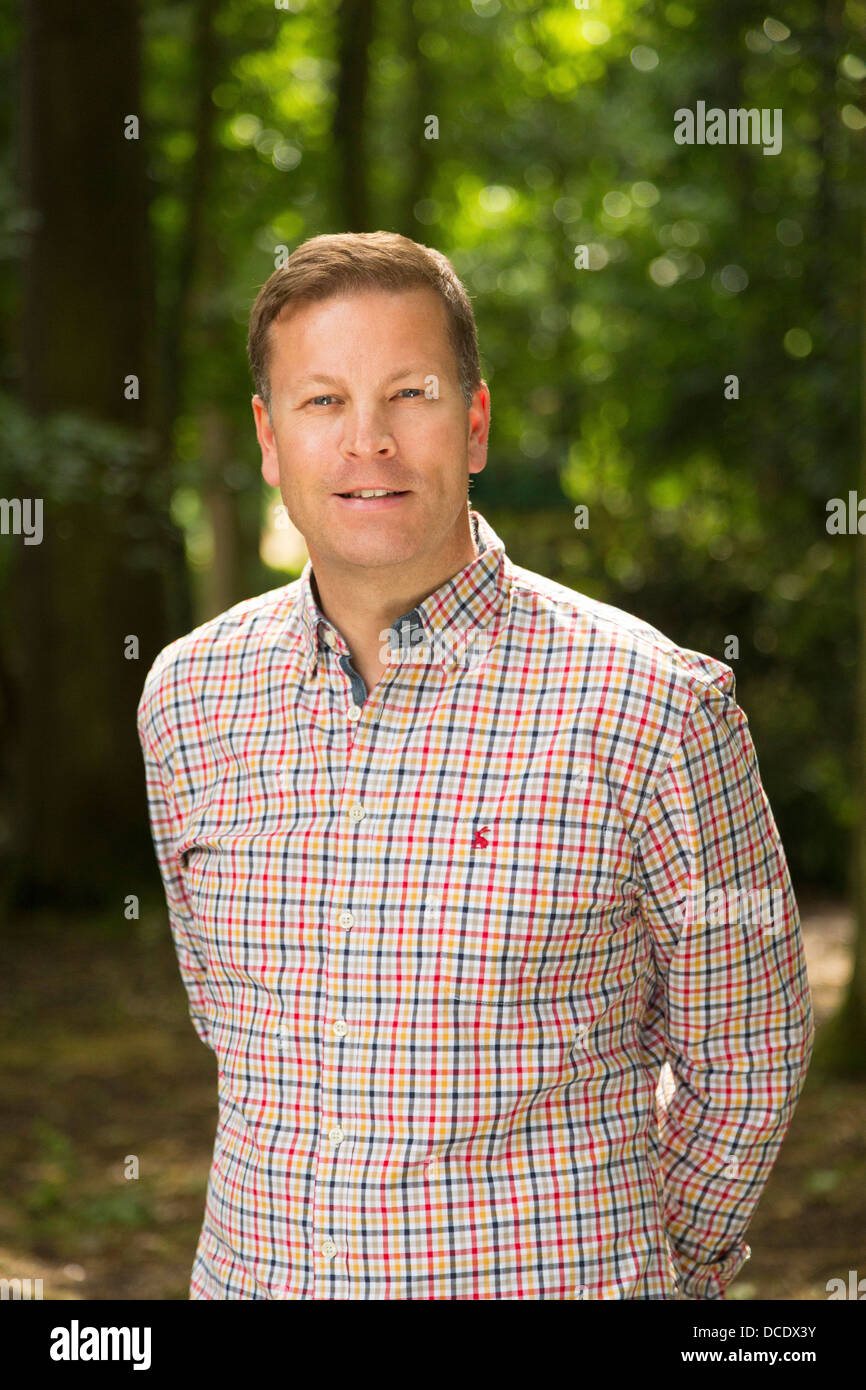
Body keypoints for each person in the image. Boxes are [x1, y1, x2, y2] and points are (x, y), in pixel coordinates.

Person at [137, 230, 814, 1300]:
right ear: (269, 439)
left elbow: (749, 1050)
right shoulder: (188, 697)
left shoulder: (650, 706)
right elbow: (229, 1017)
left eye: (409, 393)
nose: (370, 442)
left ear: (475, 420)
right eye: (322, 403)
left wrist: (661, 1272)